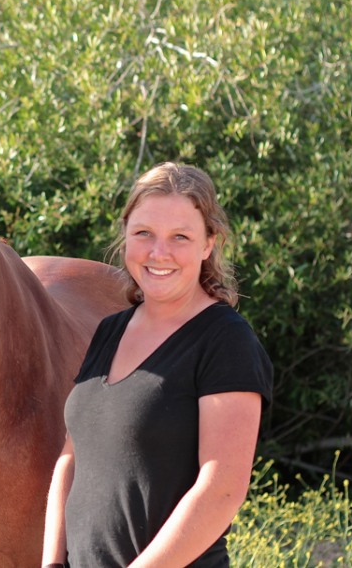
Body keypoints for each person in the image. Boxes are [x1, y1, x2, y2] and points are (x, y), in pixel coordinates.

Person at [41, 163, 273, 568]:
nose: (158, 252)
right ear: (126, 234)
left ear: (208, 244)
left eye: (180, 237)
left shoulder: (225, 341)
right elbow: (71, 458)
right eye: (144, 233)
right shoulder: (110, 330)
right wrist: (51, 564)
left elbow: (221, 490)